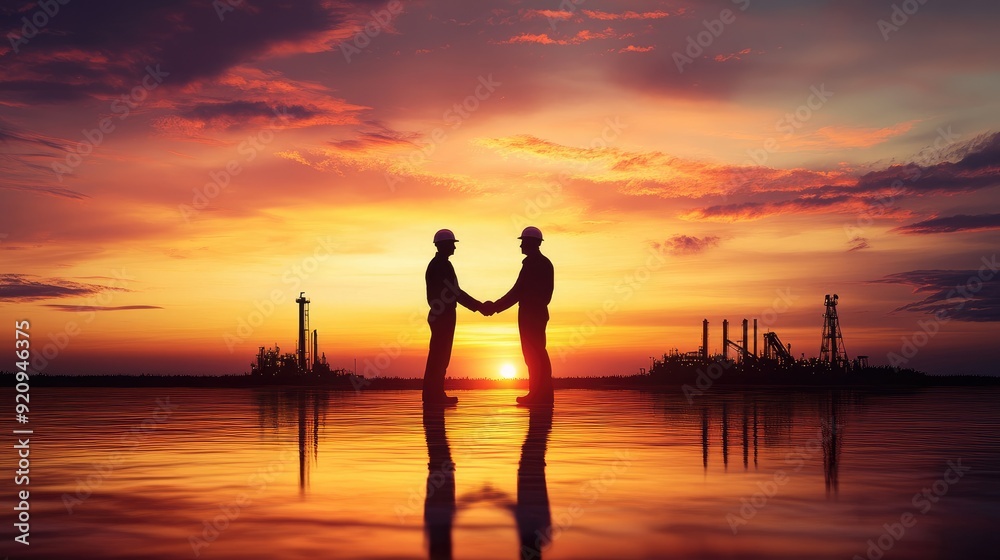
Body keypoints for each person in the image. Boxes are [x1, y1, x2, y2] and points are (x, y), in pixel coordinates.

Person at [481, 226, 554, 406]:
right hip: (536, 313)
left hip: (531, 315)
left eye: (523, 242)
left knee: (533, 355)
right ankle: (542, 395)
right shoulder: (544, 263)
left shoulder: (533, 264)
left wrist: (495, 307)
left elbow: (517, 291)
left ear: (531, 243)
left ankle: (537, 395)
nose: (520, 245)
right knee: (537, 353)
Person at [423, 229, 484, 406]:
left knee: (438, 355)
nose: (454, 248)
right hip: (443, 315)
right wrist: (478, 306)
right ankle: (434, 395)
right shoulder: (441, 265)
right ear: (443, 245)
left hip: (440, 314)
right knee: (440, 356)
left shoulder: (438, 264)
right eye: (452, 244)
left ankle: (433, 394)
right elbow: (454, 292)